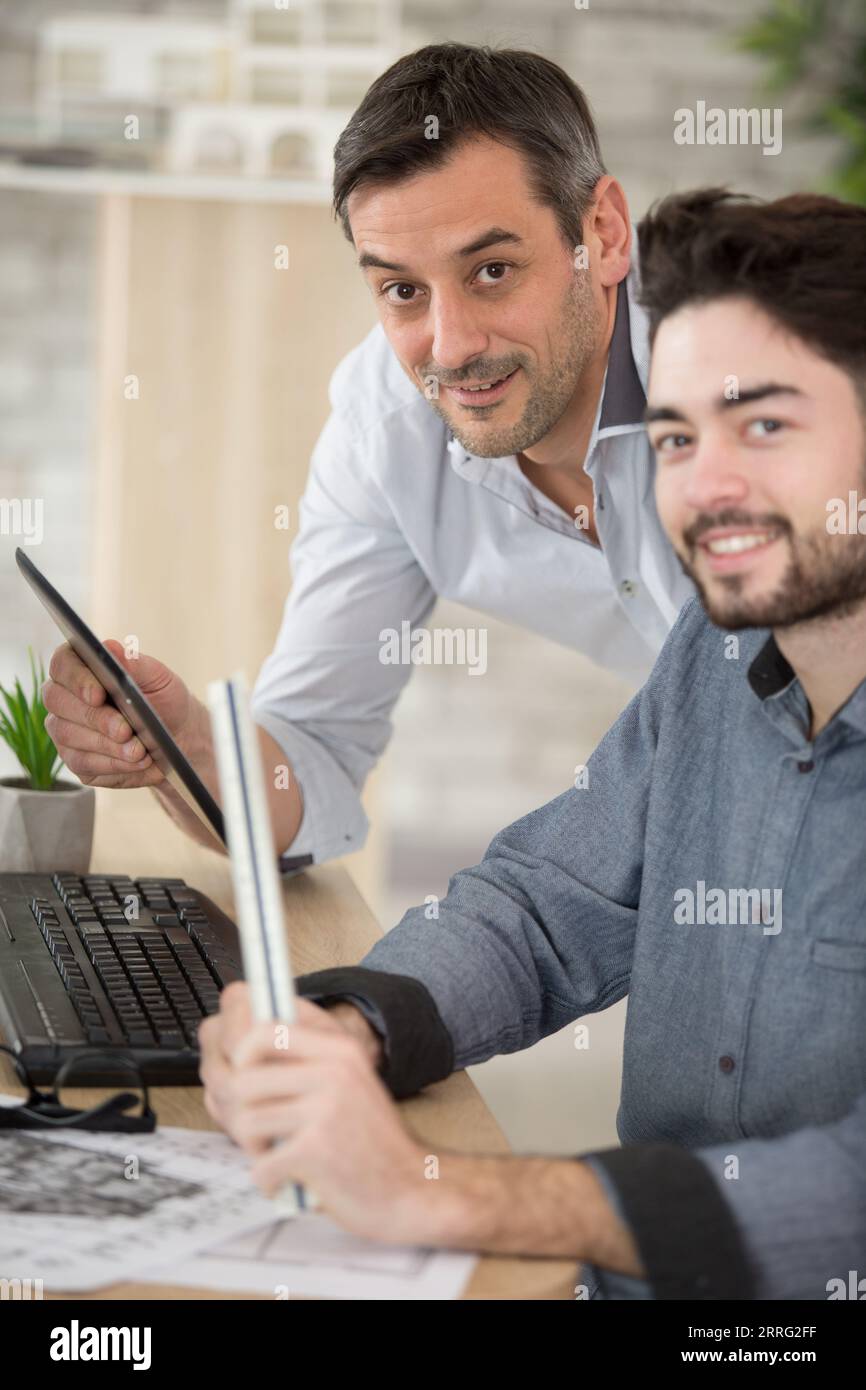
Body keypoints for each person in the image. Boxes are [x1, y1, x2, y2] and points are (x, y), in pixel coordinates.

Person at [199, 189, 866, 1301]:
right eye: (673, 435)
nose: (704, 487)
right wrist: (348, 1025)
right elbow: (543, 908)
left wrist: (433, 1190)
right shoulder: (711, 654)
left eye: (762, 424)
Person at [41, 44, 692, 867]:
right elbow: (309, 754)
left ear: (600, 233)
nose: (451, 349)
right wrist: (191, 752)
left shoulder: (740, 373)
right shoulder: (386, 426)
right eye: (401, 290)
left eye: (492, 270)